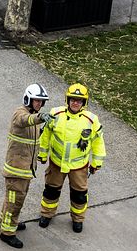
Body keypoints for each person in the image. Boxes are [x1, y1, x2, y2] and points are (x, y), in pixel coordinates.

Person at [37, 83, 106, 233]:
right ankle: (46, 214)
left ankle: (78, 219)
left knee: (79, 196)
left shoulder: (91, 120)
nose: (75, 102)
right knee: (51, 191)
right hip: (56, 164)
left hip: (79, 167)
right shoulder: (55, 114)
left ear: (84, 103)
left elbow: (98, 142)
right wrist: (42, 154)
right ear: (67, 100)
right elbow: (45, 136)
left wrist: (96, 163)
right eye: (73, 99)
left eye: (79, 100)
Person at [0, 83, 52, 249]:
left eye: (41, 102)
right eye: (37, 101)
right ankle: (7, 233)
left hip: (25, 171)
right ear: (28, 99)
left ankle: (8, 221)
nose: (39, 104)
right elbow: (24, 121)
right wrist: (40, 118)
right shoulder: (20, 114)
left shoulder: (34, 117)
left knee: (13, 200)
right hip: (16, 171)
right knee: (14, 202)